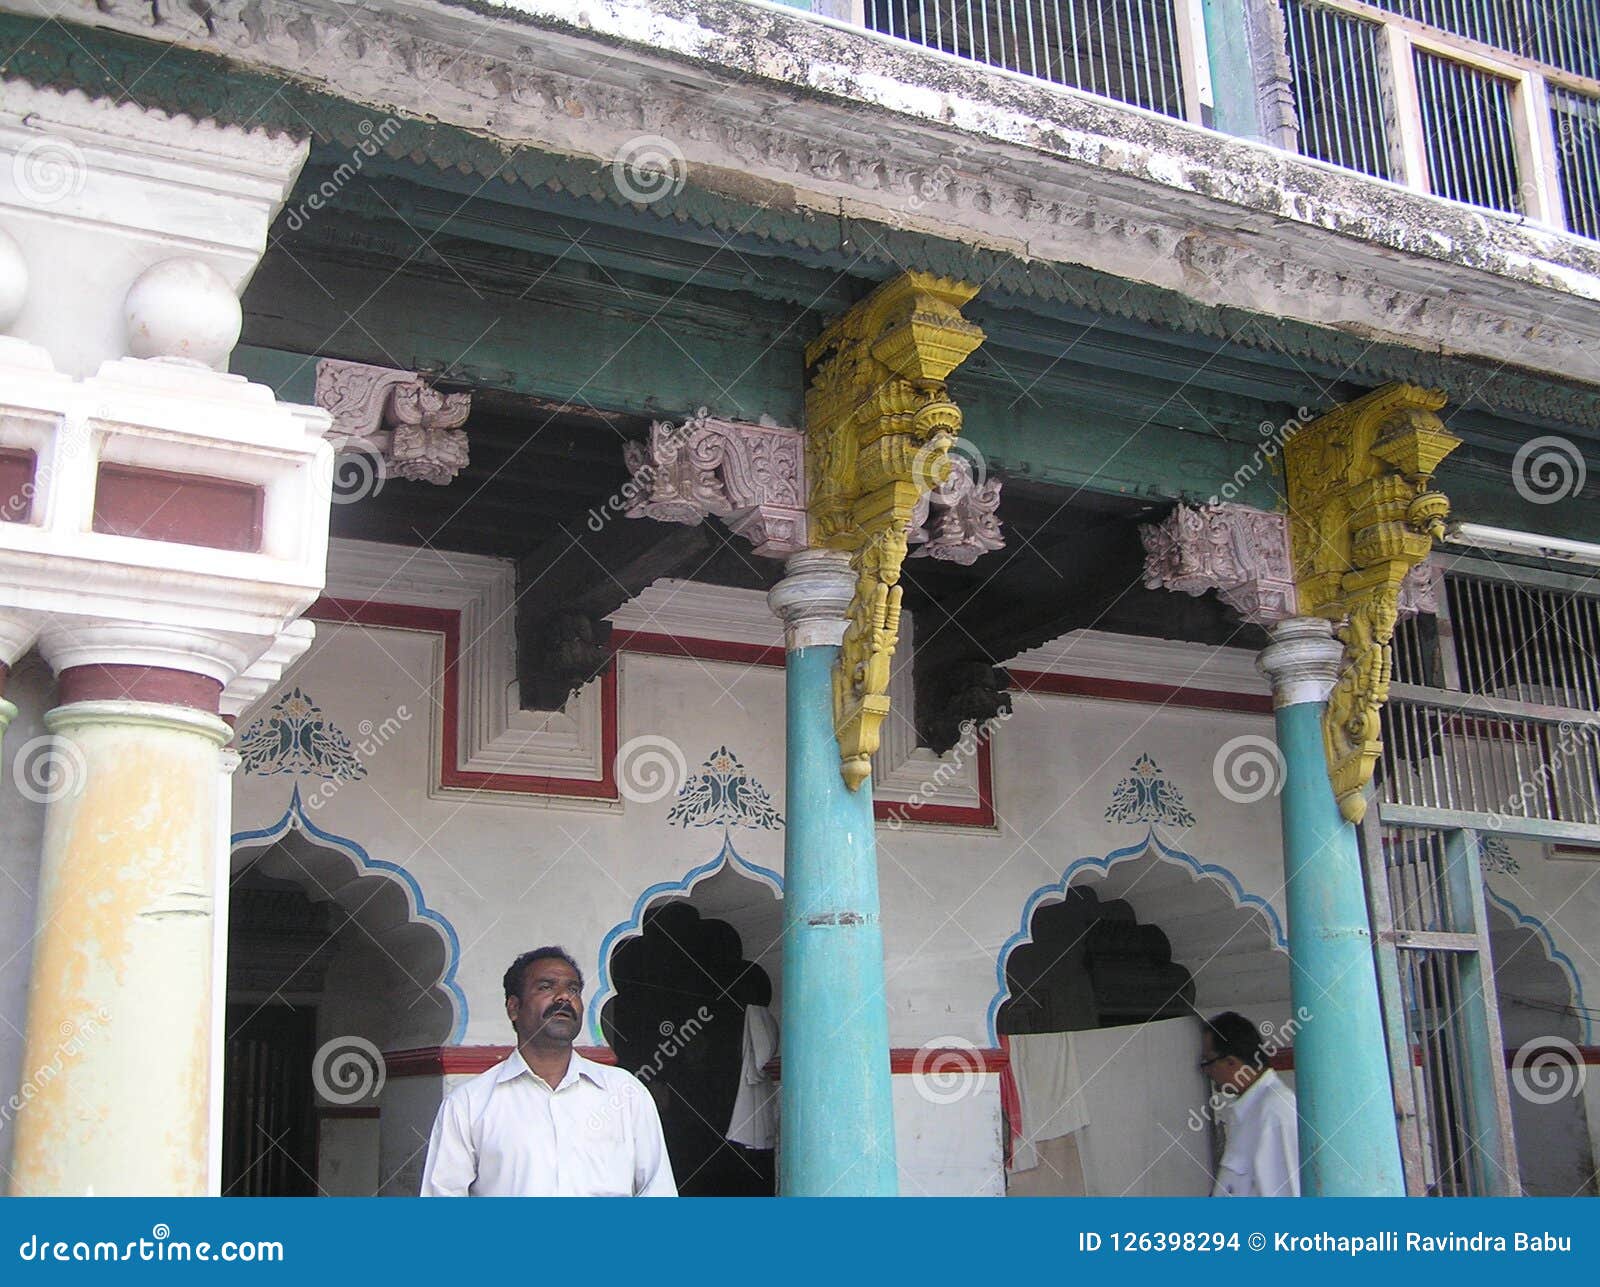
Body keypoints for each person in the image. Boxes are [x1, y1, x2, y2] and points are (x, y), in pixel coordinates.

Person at [420, 946, 677, 1196]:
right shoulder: (469, 1103)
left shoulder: (625, 1093)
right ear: (513, 1008)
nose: (564, 997)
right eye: (546, 987)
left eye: (573, 989)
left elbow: (658, 1192)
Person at [1199, 1011, 1299, 1197]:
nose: (1206, 1071)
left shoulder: (1276, 1110)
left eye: (1208, 1062)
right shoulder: (1248, 1109)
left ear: (1231, 1062)